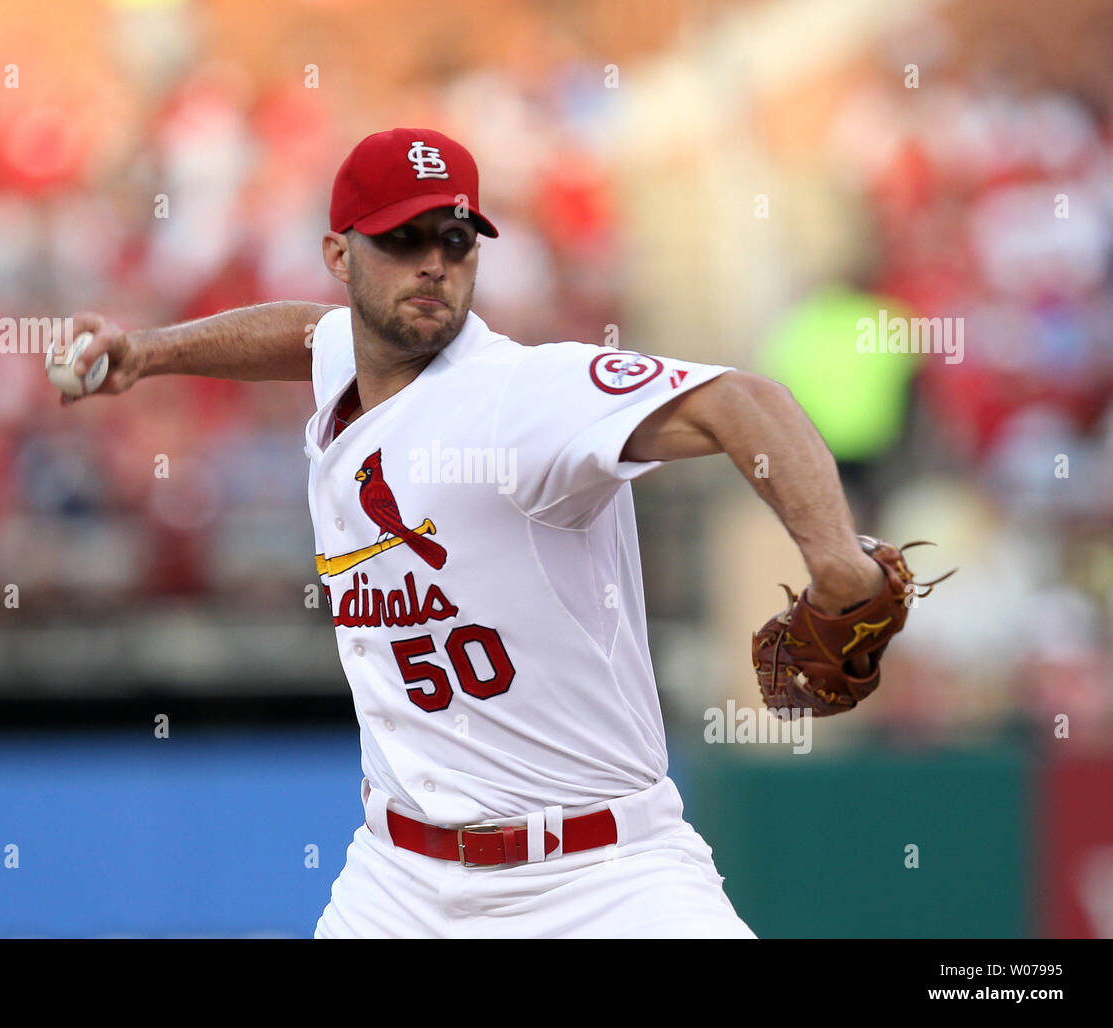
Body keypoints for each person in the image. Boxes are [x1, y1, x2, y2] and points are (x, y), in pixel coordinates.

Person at [58, 127, 886, 938]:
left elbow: (747, 402)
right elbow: (310, 335)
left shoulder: (520, 399)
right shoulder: (352, 358)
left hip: (600, 877)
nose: (433, 264)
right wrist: (148, 352)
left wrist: (838, 567)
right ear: (340, 257)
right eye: (402, 239)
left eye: (456, 240)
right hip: (400, 879)